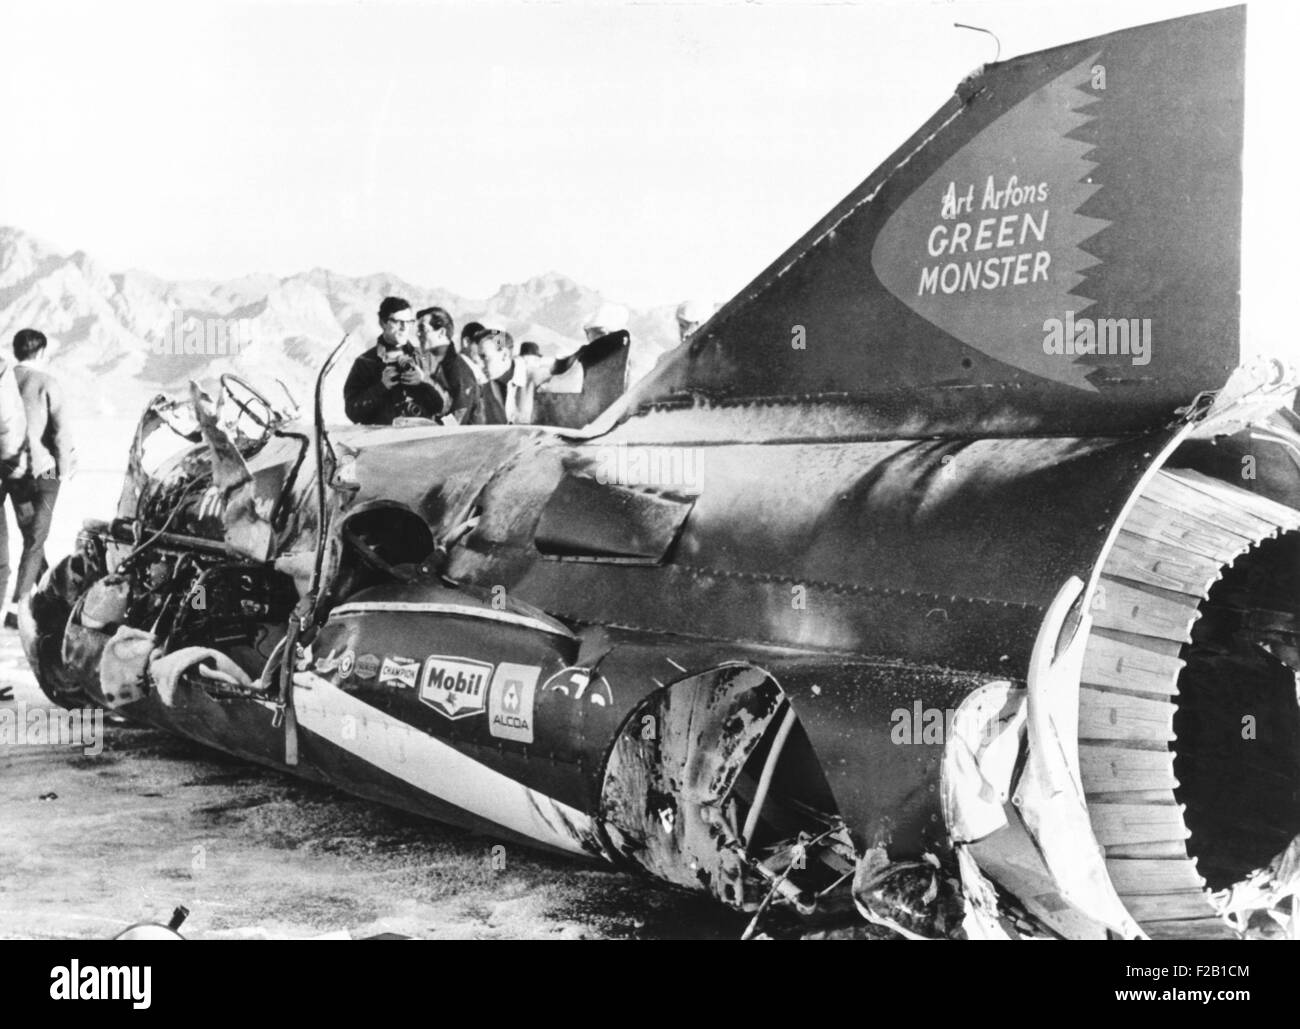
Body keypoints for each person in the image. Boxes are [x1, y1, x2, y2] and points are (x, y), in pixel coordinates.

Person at [3, 329, 73, 625]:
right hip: (41, 473)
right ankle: (20, 608)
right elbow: (59, 432)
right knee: (35, 537)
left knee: (30, 535)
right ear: (42, 352)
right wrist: (66, 468)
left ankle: (43, 594)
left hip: (9, 473)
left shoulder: (6, 380)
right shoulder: (47, 382)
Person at [343, 297, 449, 425]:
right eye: (398, 322)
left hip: (422, 439)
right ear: (382, 322)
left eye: (409, 322)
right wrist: (381, 387)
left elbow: (446, 406)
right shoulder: (365, 362)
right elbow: (352, 412)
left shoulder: (424, 357)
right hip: (385, 440)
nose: (404, 328)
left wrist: (423, 381)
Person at [416, 306, 480, 425]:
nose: (418, 334)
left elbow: (457, 419)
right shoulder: (429, 363)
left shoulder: (460, 371)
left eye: (422, 329)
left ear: (441, 332)